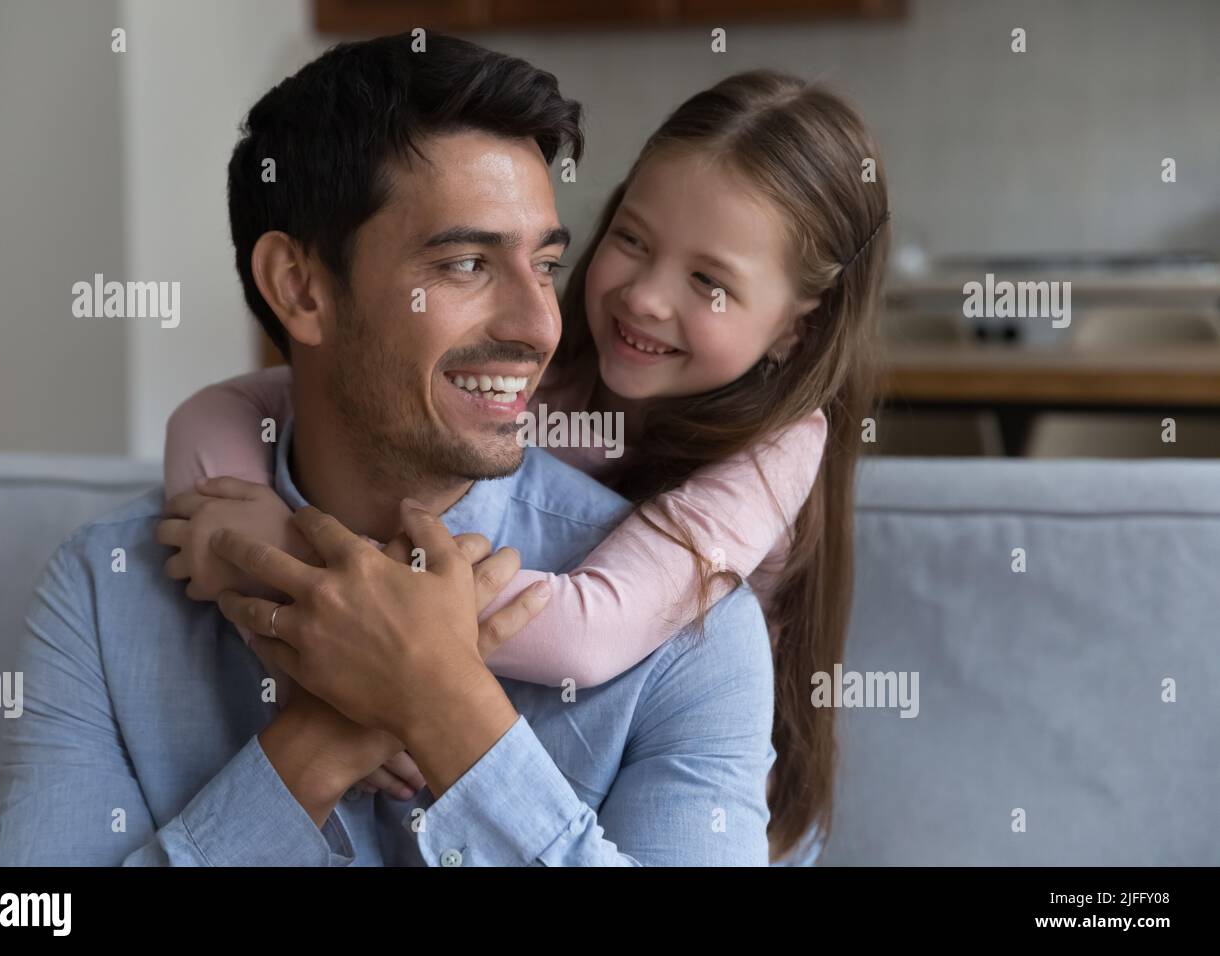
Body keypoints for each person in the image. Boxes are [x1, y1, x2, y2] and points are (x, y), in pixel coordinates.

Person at [0, 34, 794, 867]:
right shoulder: (106, 592)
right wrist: (319, 742)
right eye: (468, 264)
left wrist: (444, 708)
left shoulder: (691, 632)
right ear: (299, 288)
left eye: (545, 265)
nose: (539, 326)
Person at [160, 68, 890, 861]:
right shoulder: (555, 366)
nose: (644, 296)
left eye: (708, 282)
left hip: (708, 794)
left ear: (795, 331)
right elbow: (225, 408)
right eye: (632, 240)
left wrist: (314, 563)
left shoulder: (776, 450)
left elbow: (590, 633)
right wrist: (234, 525)